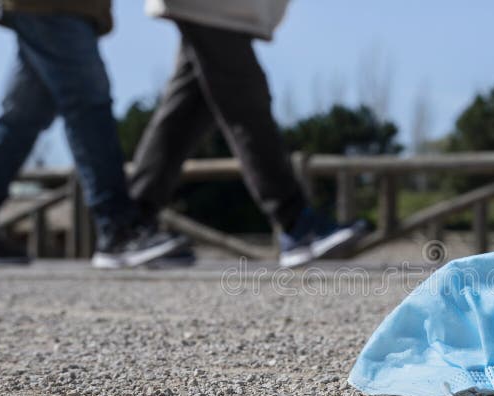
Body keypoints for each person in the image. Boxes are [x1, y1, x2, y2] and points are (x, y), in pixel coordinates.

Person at [132, 0, 365, 267]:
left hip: (218, 8)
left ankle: (131, 223)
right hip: (213, 8)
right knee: (246, 102)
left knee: (188, 109)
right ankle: (295, 222)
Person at [0, 0, 185, 268]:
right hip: (57, 6)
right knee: (89, 109)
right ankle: (117, 228)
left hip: (53, 8)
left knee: (22, 119)